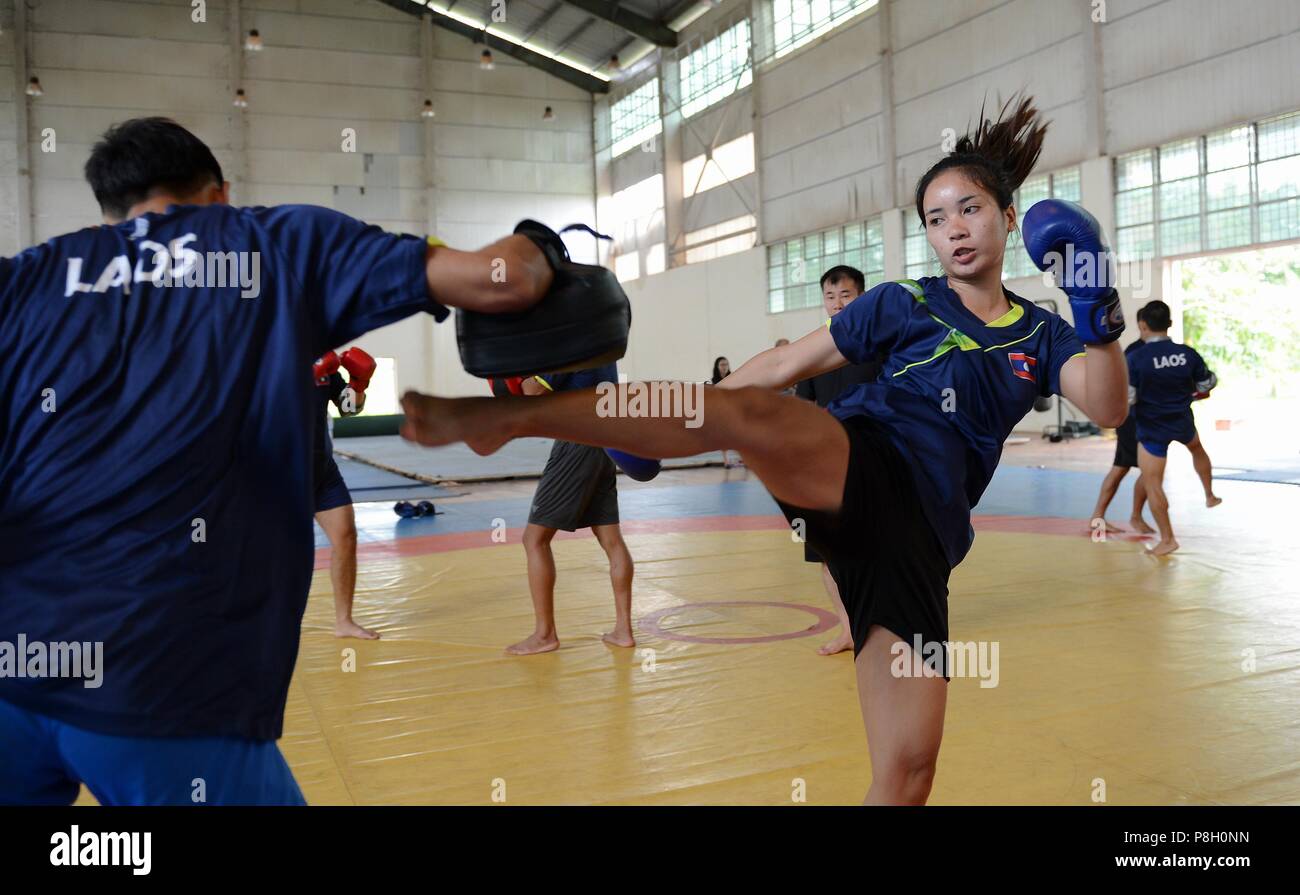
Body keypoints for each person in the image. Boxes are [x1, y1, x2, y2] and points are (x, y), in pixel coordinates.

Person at [399, 95, 1130, 804]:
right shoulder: (902, 302)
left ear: (1008, 216)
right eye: (936, 220)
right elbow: (781, 369)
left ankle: (603, 419)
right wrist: (703, 407)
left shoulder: (1042, 333)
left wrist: (1099, 315)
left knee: (907, 774)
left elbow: (1105, 405)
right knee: (750, 413)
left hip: (922, 543)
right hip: (867, 462)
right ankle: (522, 417)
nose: (955, 230)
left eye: (969, 210)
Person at [0, 117, 556, 805]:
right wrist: (539, 242)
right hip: (161, 675)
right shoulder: (276, 242)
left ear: (107, 206)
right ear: (219, 193)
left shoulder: (27, 277)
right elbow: (502, 281)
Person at [505, 367, 636, 655]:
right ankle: (623, 630)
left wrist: (513, 371)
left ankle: (545, 634)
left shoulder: (571, 344)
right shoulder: (604, 340)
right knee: (612, 540)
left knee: (534, 539)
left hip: (577, 440)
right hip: (607, 440)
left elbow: (532, 391)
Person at [795, 265, 883, 655]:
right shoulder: (812, 351)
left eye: (845, 295)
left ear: (861, 296)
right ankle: (849, 628)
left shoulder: (881, 346)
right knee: (826, 552)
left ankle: (882, 625)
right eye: (830, 297)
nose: (837, 304)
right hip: (825, 466)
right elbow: (804, 411)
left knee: (878, 547)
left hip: (874, 461)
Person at [1126, 299, 1221, 556]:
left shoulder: (1136, 358)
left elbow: (1129, 397)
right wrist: (1191, 392)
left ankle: (1167, 539)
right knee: (1197, 449)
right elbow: (1207, 383)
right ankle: (1210, 494)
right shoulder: (1187, 353)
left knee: (1152, 481)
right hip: (1181, 420)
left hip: (1152, 427)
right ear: (1169, 324)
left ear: (1143, 325)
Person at [312, 346, 380, 639]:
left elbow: (349, 408)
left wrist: (358, 383)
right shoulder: (270, 357)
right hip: (280, 472)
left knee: (346, 537)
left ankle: (344, 621)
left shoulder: (326, 363)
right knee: (275, 551)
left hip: (321, 471)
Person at [1088, 306, 1153, 534]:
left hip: (1147, 421)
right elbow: (1127, 391)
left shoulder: (1161, 350)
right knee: (1122, 468)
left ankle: (1131, 516)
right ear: (1142, 326)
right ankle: (1102, 517)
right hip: (1132, 420)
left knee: (1147, 469)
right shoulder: (1135, 353)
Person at [710, 357, 741, 467]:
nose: (724, 367)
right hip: (721, 411)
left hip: (732, 410)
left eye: (726, 364)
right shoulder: (713, 381)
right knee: (723, 437)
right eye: (722, 365)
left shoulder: (733, 378)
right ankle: (726, 461)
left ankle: (743, 458)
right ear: (717, 367)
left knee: (738, 436)